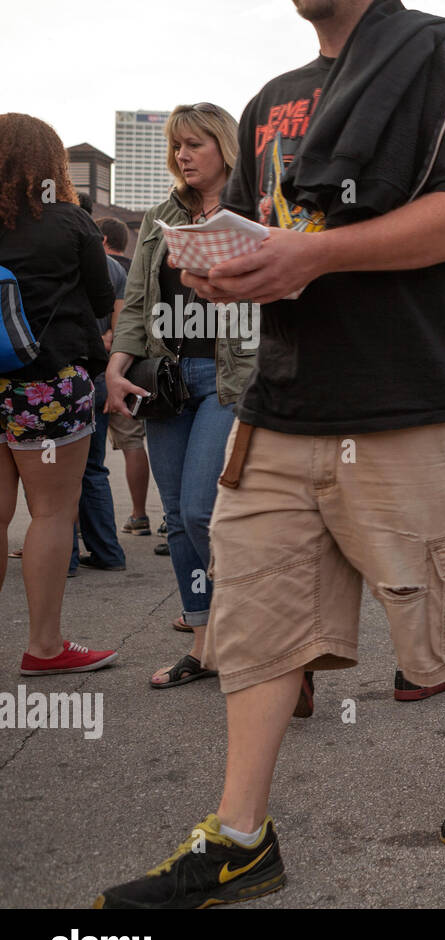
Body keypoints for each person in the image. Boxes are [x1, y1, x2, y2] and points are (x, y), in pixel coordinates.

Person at [96, 0, 445, 909]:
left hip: (405, 392)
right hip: (280, 399)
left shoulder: (436, 55)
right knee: (256, 618)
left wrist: (311, 260)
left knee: (443, 603)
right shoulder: (268, 103)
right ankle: (243, 835)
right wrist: (218, 269)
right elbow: (261, 232)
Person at [105, 103, 249, 691]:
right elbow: (137, 302)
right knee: (179, 523)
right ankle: (202, 639)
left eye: (194, 144)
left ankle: (243, 632)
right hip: (165, 379)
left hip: (228, 377)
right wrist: (116, 369)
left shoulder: (253, 210)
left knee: (200, 510)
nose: (183, 155)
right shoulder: (161, 215)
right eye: (176, 146)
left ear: (223, 146)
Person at [0, 113, 117, 676]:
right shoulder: (71, 222)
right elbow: (100, 299)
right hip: (44, 384)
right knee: (50, 514)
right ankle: (44, 647)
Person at [71, 209, 127, 575]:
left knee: (61, 474)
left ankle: (64, 557)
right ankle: (108, 552)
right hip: (101, 371)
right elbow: (119, 326)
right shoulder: (116, 270)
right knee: (93, 467)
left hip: (66, 371)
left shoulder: (61, 256)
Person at [97, 217, 151, 536]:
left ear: (103, 240)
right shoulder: (135, 269)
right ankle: (139, 513)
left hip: (93, 367)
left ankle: (73, 525)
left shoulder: (94, 266)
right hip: (130, 367)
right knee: (133, 442)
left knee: (86, 456)